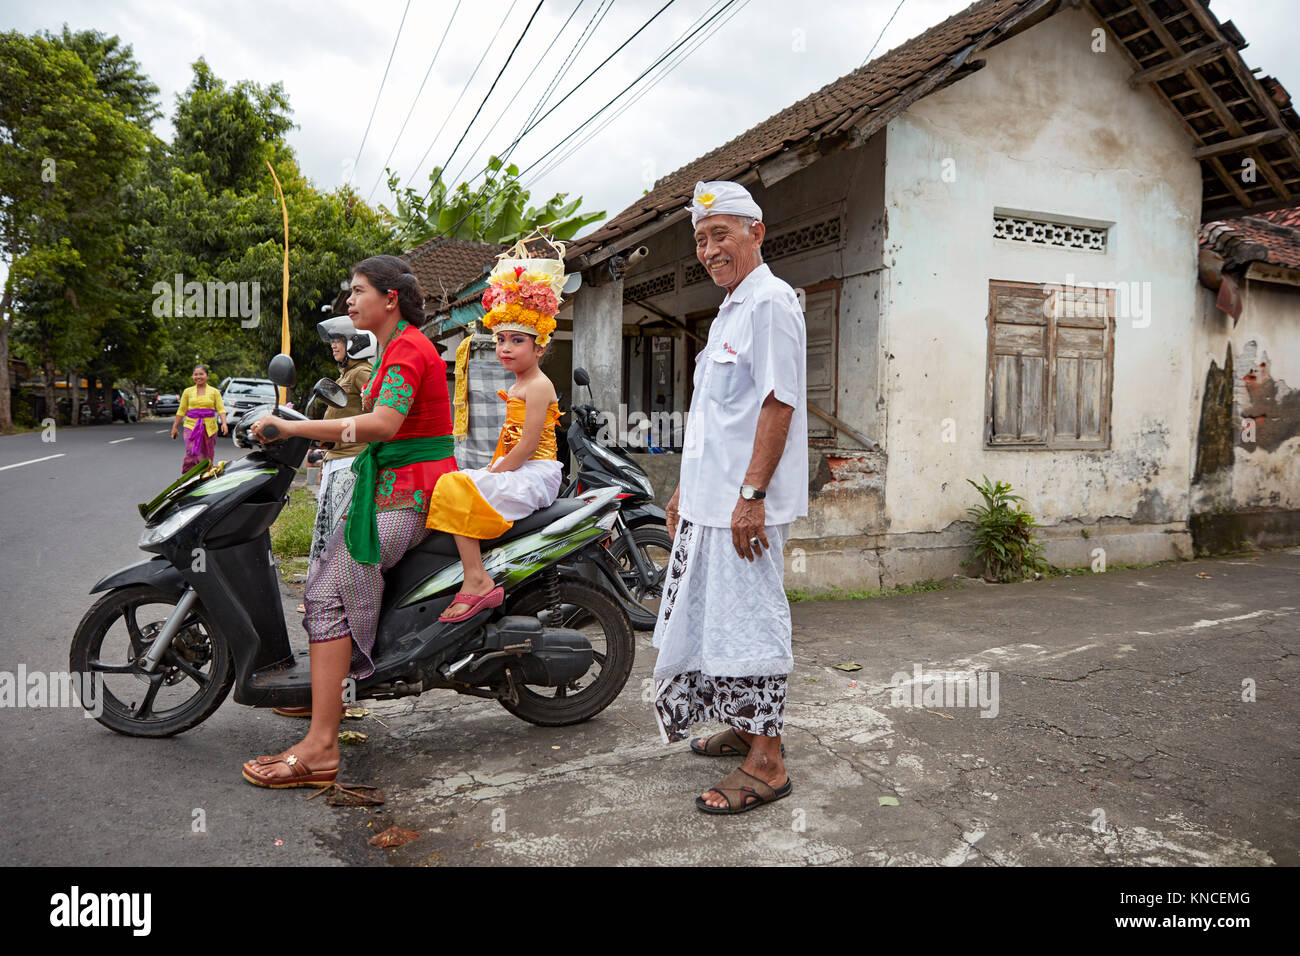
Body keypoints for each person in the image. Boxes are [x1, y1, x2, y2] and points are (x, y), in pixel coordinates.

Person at [240, 255, 457, 788]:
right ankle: (324, 701)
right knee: (318, 583)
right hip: (388, 488)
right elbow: (366, 426)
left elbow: (382, 424)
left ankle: (320, 749)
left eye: (358, 291)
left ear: (391, 298)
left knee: (328, 592)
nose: (350, 302)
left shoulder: (407, 348)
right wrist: (309, 434)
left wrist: (294, 432)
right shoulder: (392, 348)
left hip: (411, 495)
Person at [652, 180, 809, 814]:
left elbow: (779, 403)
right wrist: (686, 493)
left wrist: (751, 496)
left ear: (756, 234)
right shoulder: (731, 308)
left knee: (749, 629)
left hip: (744, 510)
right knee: (714, 625)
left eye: (722, 234)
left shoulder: (770, 302)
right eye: (701, 239)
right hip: (710, 507)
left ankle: (767, 763)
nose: (710, 249)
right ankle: (743, 729)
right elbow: (719, 418)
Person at [424, 237, 566, 622]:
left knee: (457, 484)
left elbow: (527, 446)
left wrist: (492, 472)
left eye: (517, 340)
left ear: (539, 347)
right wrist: (492, 468)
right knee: (451, 482)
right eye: (501, 339)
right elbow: (509, 444)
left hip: (536, 473)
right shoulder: (519, 385)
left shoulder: (538, 386)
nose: (505, 348)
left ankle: (477, 579)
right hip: (517, 467)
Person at [308, 323, 377, 567]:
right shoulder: (346, 374)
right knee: (325, 524)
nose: (333, 345)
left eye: (339, 340)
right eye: (333, 340)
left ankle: (329, 588)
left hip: (352, 459)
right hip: (336, 458)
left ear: (356, 344)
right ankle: (318, 589)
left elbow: (378, 410)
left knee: (337, 527)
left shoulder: (362, 373)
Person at [170, 365, 228, 473]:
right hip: (191, 426)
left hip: (210, 427)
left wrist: (224, 423)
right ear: (192, 376)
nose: (198, 377)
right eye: (195, 374)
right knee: (191, 451)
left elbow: (221, 409)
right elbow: (182, 410)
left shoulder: (214, 392)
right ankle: (189, 475)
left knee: (207, 454)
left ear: (207, 376)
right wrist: (175, 427)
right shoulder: (187, 392)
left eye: (201, 374)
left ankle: (204, 475)